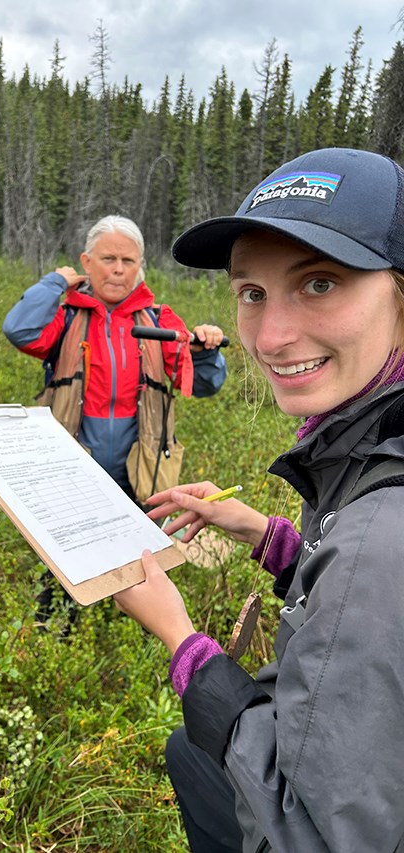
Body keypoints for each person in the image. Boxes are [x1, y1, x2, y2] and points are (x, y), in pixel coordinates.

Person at [113, 147, 404, 852]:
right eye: (251, 292)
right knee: (189, 752)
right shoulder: (371, 447)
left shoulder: (379, 540)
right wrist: (266, 536)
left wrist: (185, 645)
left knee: (193, 750)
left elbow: (313, 834)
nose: (270, 338)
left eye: (320, 283)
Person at [2, 215, 227, 503]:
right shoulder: (65, 319)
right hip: (71, 472)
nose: (118, 269)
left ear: (139, 265)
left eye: (128, 261)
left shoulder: (160, 321)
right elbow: (19, 330)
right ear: (87, 262)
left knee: (142, 532)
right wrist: (54, 282)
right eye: (108, 259)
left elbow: (204, 384)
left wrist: (205, 352)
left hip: (142, 475)